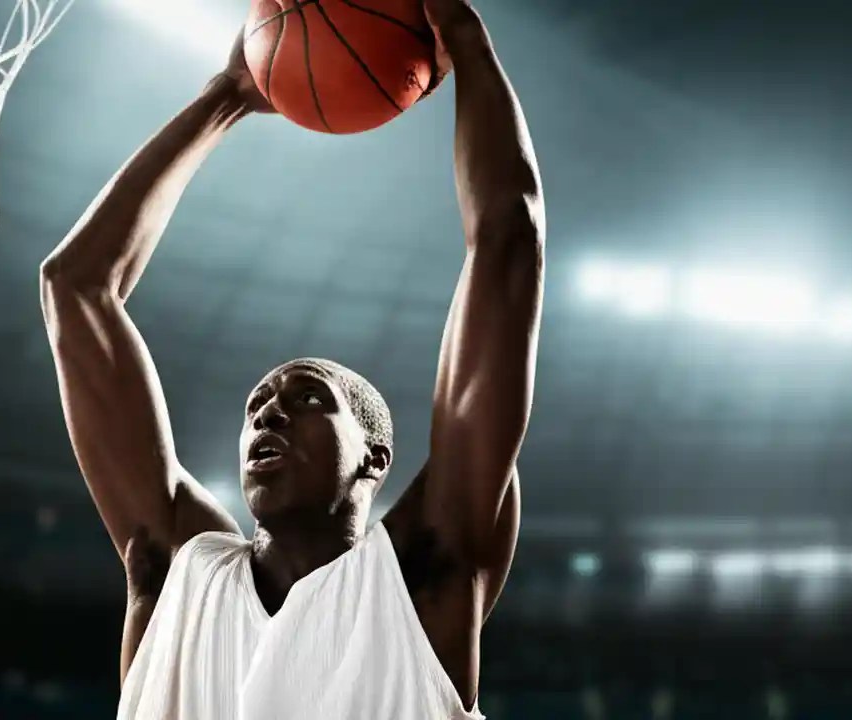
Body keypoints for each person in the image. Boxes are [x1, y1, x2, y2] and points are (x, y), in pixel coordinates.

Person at [40, 0, 543, 716]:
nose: (270, 410)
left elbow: (508, 240)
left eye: (309, 398)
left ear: (375, 457)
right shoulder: (178, 569)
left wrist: (465, 37)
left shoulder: (423, 572)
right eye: (257, 406)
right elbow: (75, 288)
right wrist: (223, 99)